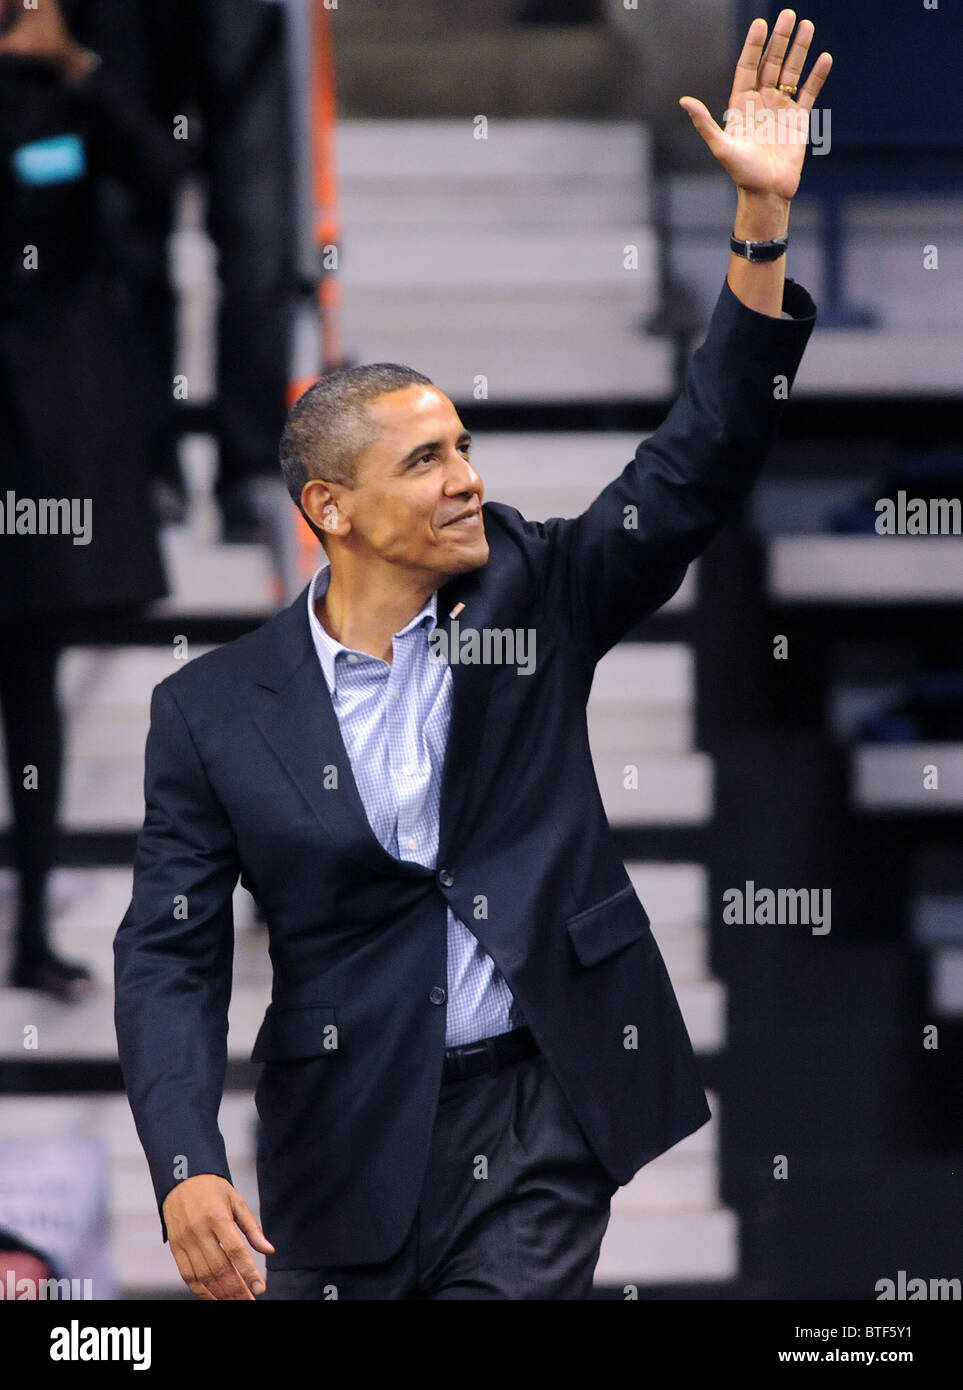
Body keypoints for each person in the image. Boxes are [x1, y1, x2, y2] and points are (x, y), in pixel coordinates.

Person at [114, 12, 831, 1299]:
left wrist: (759, 234)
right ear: (329, 510)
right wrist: (182, 1160)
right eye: (425, 460)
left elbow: (694, 467)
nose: (467, 480)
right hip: (344, 1141)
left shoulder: (535, 587)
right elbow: (167, 951)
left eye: (464, 448)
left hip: (543, 1104)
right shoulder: (210, 713)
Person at [0, 0, 182, 999]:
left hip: (45, 430)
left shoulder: (61, 88)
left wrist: (77, 66)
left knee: (33, 688)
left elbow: (158, 180)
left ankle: (31, 936)